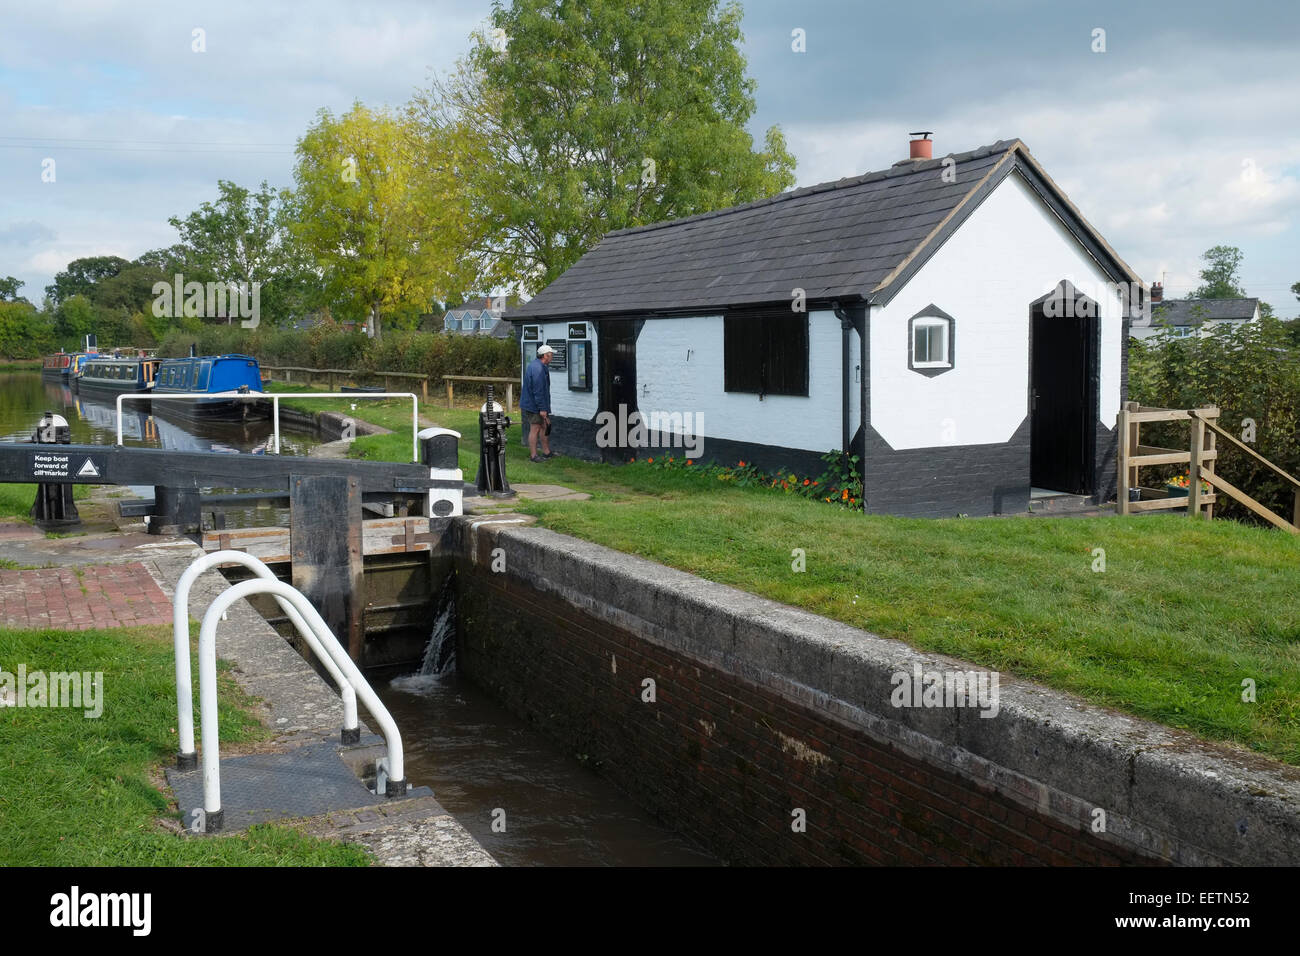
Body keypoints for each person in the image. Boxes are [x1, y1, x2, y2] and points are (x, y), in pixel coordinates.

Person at [520, 344, 554, 462]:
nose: (552, 356)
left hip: (535, 404)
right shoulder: (538, 369)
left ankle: (546, 452)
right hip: (534, 405)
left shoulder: (537, 365)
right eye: (551, 354)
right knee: (535, 428)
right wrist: (542, 409)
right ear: (545, 355)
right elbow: (538, 391)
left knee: (544, 426)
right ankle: (533, 456)